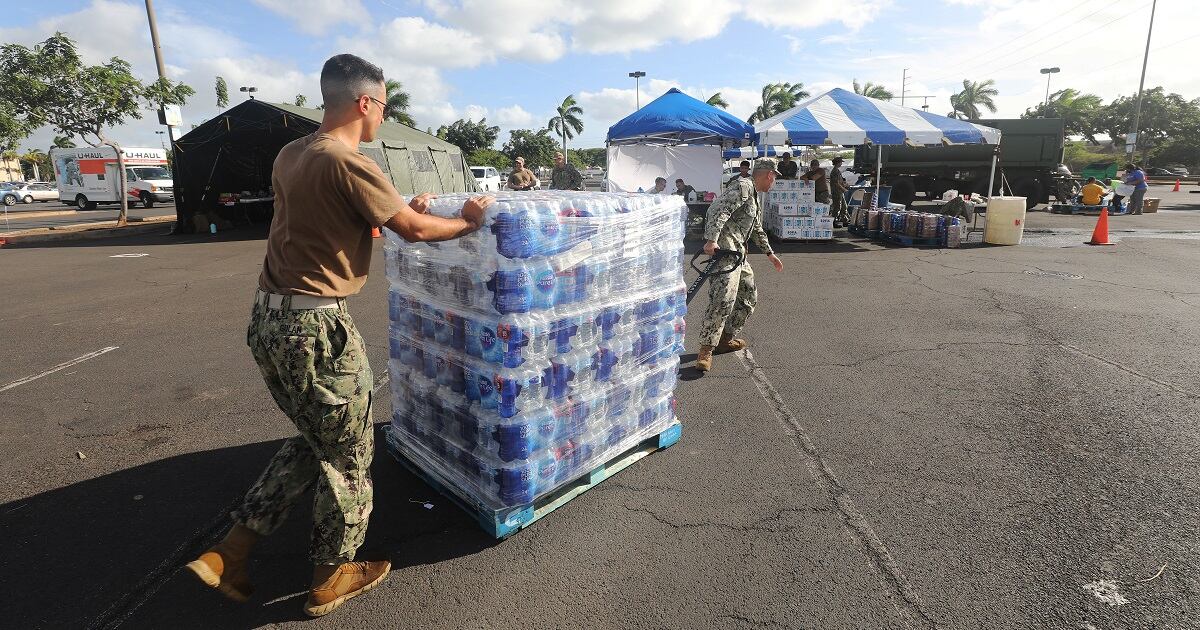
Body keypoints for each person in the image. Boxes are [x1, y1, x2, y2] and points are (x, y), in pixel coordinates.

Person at [184, 53, 494, 618]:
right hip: (315, 327)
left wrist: (405, 208)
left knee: (317, 437)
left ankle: (231, 550)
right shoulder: (349, 161)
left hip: (269, 319)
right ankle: (332, 572)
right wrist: (469, 220)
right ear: (366, 102)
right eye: (383, 105)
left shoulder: (292, 155)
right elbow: (415, 231)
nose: (382, 116)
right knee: (351, 453)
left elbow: (346, 218)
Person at [696, 159, 785, 373]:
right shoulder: (743, 186)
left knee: (748, 296)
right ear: (769, 175)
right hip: (725, 251)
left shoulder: (754, 196)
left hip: (738, 254)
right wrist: (712, 239)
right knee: (722, 299)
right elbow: (719, 209)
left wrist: (770, 253)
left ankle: (726, 338)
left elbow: (756, 229)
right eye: (774, 178)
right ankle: (706, 349)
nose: (773, 183)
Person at [829, 157, 849, 226]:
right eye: (840, 162)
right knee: (837, 206)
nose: (841, 163)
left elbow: (840, 181)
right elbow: (836, 183)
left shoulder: (837, 171)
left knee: (844, 206)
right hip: (836, 192)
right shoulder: (834, 171)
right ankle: (834, 221)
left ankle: (844, 219)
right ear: (837, 163)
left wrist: (844, 184)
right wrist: (843, 189)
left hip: (839, 191)